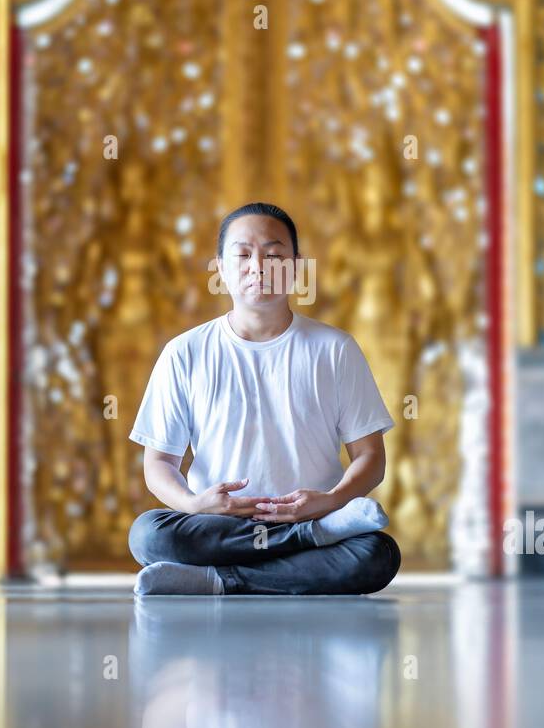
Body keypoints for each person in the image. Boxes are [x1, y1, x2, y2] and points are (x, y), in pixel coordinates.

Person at [127, 201, 401, 596]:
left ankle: (221, 580)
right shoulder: (184, 352)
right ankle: (311, 544)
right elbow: (158, 464)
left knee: (377, 554)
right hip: (220, 526)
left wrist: (330, 501)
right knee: (149, 535)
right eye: (242, 255)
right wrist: (194, 505)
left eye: (274, 255)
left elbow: (371, 457)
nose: (259, 267)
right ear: (220, 268)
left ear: (295, 266)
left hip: (308, 515)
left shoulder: (335, 349)